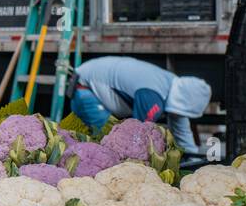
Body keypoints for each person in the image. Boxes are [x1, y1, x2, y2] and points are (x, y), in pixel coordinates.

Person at [70, 55, 212, 156]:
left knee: (110, 142)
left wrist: (193, 157)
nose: (181, 115)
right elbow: (136, 133)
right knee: (108, 142)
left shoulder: (173, 86)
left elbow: (181, 126)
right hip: (85, 86)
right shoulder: (152, 97)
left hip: (93, 77)